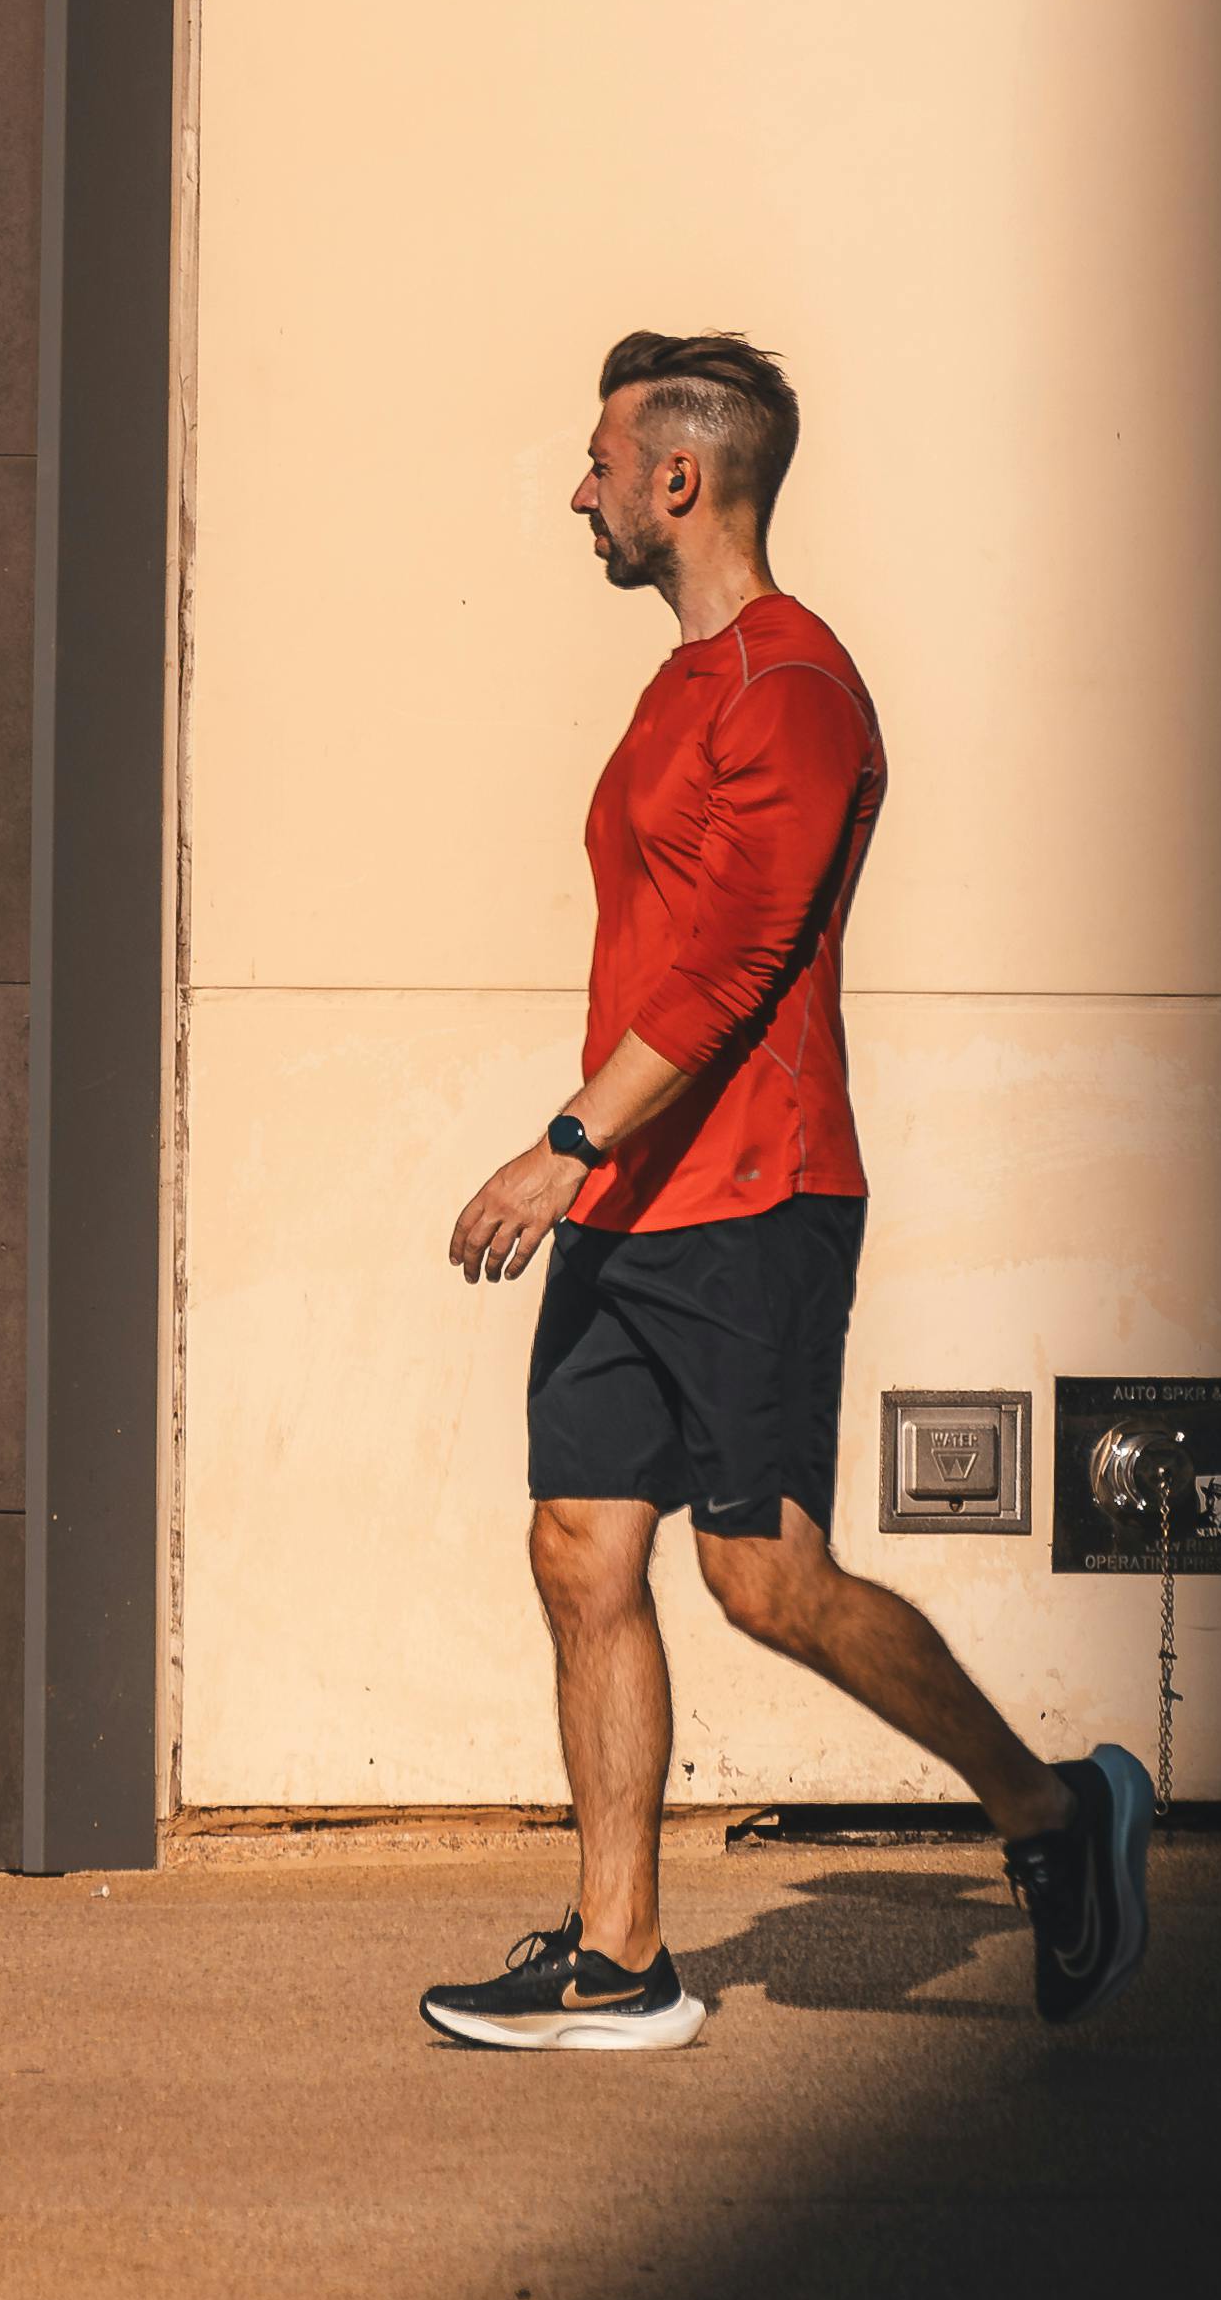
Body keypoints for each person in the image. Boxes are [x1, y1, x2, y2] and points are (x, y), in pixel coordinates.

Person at [420, 328, 1153, 2052]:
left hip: (752, 1193)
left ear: (681, 478)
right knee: (580, 1548)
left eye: (601, 459)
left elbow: (744, 963)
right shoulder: (682, 685)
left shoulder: (794, 686)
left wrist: (566, 1141)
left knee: (767, 1580)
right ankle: (621, 1960)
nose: (579, 489)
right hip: (633, 1204)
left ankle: (1052, 1812)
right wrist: (598, 1169)